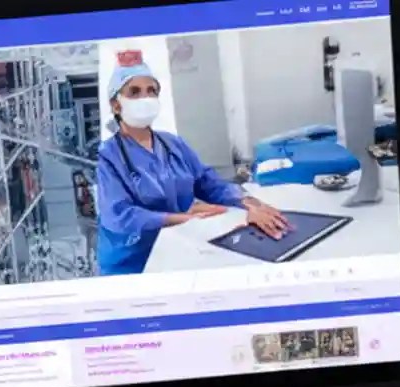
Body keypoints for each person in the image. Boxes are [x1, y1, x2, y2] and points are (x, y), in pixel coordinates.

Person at [96, 51, 291, 275]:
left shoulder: (173, 144)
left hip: (175, 247)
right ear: (116, 105)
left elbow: (208, 183)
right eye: (134, 92)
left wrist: (247, 202)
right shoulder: (109, 156)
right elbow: (119, 216)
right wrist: (184, 218)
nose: (146, 98)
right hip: (130, 262)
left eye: (151, 91)